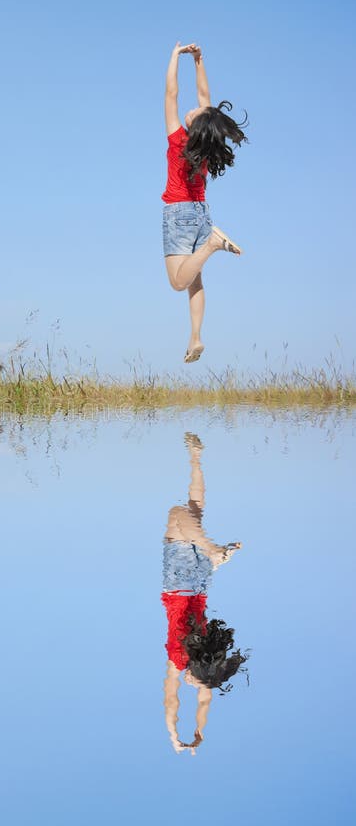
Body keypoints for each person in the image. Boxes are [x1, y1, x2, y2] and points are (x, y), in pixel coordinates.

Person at [161, 432, 249, 755]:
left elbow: (204, 697)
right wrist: (174, 733)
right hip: (181, 581)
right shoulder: (178, 660)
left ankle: (195, 457)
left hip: (200, 585)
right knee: (177, 514)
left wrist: (195, 732)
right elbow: (171, 698)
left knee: (193, 510)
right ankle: (212, 548)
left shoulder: (197, 667)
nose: (195, 688)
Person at [162, 42, 248, 363]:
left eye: (196, 114)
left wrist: (174, 58)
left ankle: (213, 244)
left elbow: (172, 95)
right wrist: (198, 62)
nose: (193, 109)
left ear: (196, 127)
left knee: (177, 281)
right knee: (194, 279)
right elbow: (204, 99)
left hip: (179, 213)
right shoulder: (207, 149)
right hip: (201, 212)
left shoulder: (178, 143)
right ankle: (196, 337)